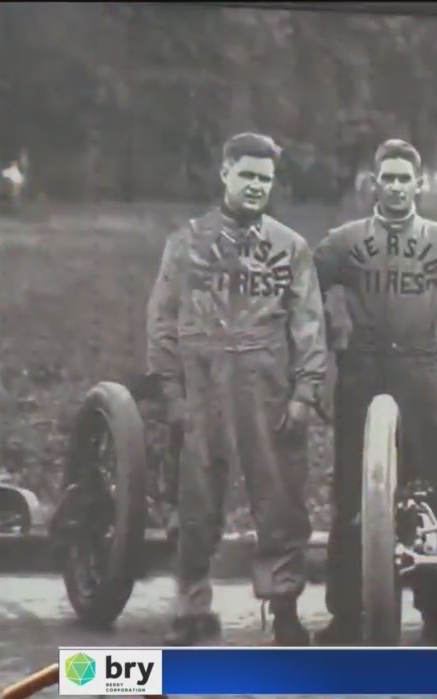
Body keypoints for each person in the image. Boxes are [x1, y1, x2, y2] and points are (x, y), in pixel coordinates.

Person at [312, 139, 437, 646]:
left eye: (405, 178)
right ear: (373, 183)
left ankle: (436, 615)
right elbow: (301, 289)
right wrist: (328, 332)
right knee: (354, 494)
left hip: (422, 374)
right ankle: (345, 615)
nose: (396, 187)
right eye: (388, 177)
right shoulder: (344, 241)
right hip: (362, 372)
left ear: (419, 184)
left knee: (432, 492)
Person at [145, 132, 329, 646]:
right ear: (225, 172)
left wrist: (304, 392)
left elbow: (308, 324)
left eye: (265, 180)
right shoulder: (186, 242)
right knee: (195, 499)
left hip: (265, 386)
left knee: (281, 499)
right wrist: (170, 389)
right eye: (247, 175)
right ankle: (191, 604)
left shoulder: (290, 248)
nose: (255, 187)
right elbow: (161, 318)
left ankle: (285, 606)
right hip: (201, 384)